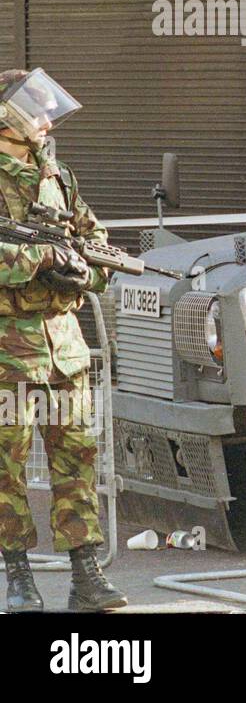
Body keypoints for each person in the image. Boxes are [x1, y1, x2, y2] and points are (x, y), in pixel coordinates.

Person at [0, 68, 127, 613]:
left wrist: (86, 271)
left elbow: (94, 239)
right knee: (7, 468)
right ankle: (18, 578)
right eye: (38, 110)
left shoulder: (58, 177)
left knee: (76, 462)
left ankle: (87, 576)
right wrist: (42, 259)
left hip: (65, 350)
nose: (48, 120)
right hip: (8, 352)